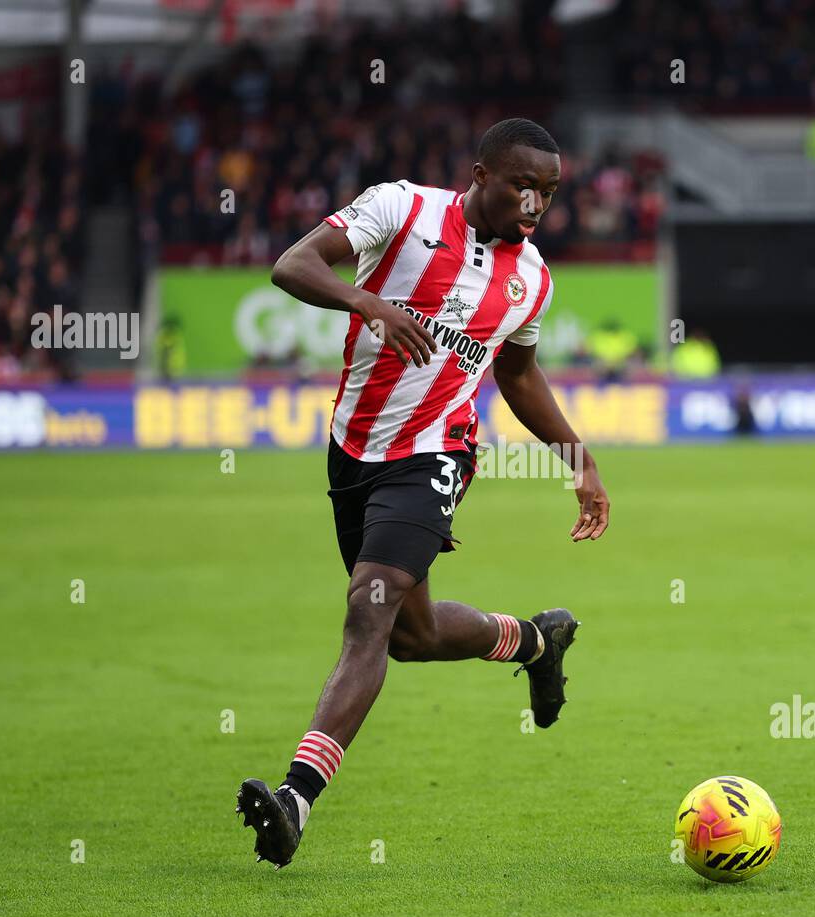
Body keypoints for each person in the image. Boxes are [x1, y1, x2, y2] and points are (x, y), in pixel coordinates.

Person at [236, 118, 611, 868]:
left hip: (438, 452)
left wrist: (580, 460)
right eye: (522, 186)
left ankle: (296, 800)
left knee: (366, 610)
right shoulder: (400, 209)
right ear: (480, 174)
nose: (536, 204)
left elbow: (516, 375)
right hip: (353, 448)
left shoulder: (531, 279)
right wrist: (370, 304)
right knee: (411, 636)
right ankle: (535, 639)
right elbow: (291, 266)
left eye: (549, 192)